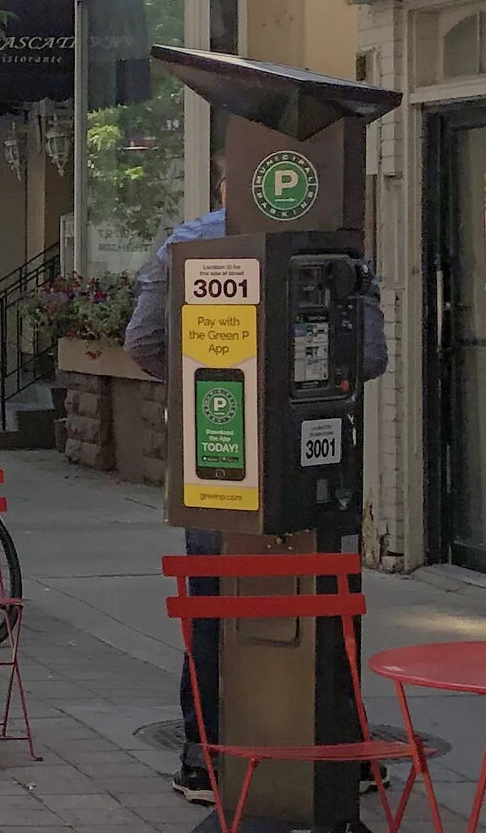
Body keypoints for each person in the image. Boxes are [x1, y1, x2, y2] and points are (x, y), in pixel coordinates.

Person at [123, 156, 385, 796]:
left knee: (213, 606)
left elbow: (142, 341)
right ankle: (341, 751)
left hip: (218, 458)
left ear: (227, 187)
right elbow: (370, 355)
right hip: (315, 455)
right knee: (328, 605)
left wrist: (199, 386)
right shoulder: (340, 252)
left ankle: (203, 756)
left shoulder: (187, 244)